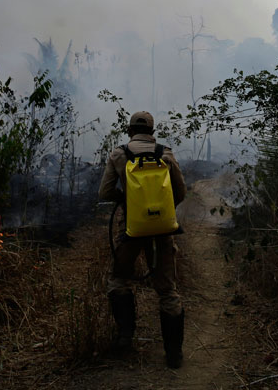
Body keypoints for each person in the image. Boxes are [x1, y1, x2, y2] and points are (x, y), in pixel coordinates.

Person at [98, 110, 187, 368]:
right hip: (163, 230)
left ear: (129, 130)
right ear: (152, 131)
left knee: (118, 280)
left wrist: (130, 202)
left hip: (131, 230)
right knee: (168, 290)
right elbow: (180, 192)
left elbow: (104, 192)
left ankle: (125, 337)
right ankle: (173, 355)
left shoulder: (119, 154)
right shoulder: (166, 154)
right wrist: (162, 211)